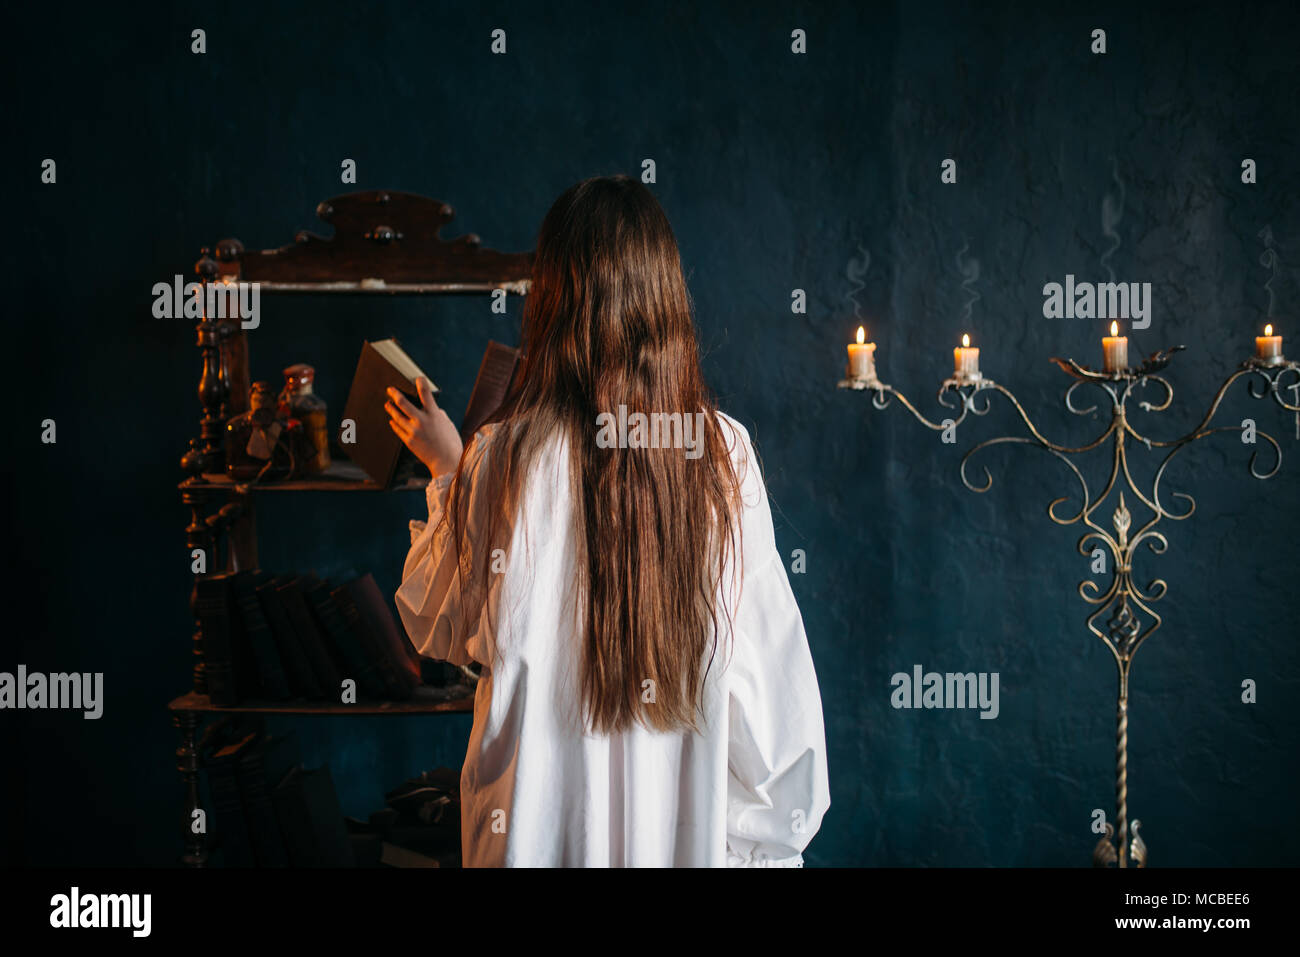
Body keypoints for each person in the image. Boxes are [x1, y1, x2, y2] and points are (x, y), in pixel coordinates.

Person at [385, 175, 829, 867]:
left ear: (552, 302)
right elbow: (776, 720)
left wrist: (449, 471)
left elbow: (437, 623)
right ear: (664, 299)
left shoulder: (501, 458)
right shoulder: (720, 453)